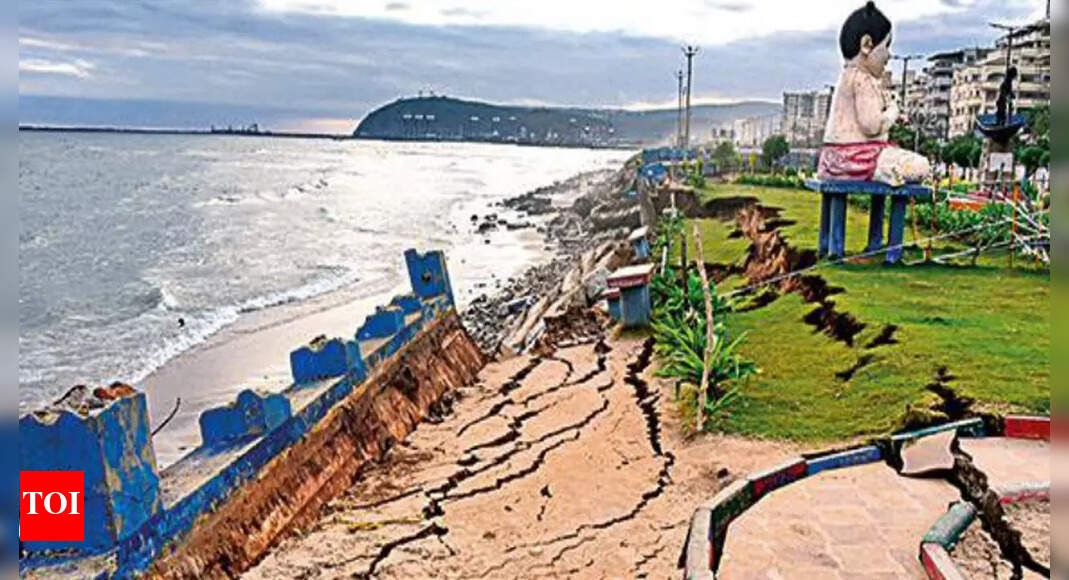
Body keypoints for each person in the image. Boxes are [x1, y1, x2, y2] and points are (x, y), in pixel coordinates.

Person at [818, 1, 931, 186]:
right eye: (886, 46)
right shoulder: (863, 79)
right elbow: (871, 126)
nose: (888, 55)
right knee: (921, 166)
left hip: (833, 159)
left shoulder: (846, 77)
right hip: (858, 160)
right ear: (867, 45)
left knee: (900, 157)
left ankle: (886, 172)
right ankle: (885, 174)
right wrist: (892, 111)